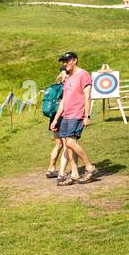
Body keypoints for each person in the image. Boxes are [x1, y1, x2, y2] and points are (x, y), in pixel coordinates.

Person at [50, 52, 98, 185]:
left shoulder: (83, 74)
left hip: (77, 114)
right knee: (68, 146)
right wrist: (55, 119)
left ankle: (89, 167)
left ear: (75, 60)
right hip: (66, 115)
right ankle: (75, 174)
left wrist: (87, 115)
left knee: (71, 143)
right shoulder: (68, 78)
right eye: (63, 62)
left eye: (67, 61)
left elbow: (87, 95)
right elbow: (64, 101)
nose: (65, 64)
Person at [43, 71, 71, 179]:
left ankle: (51, 168)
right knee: (66, 145)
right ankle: (62, 171)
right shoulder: (66, 86)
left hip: (53, 117)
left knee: (58, 145)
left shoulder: (54, 87)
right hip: (63, 116)